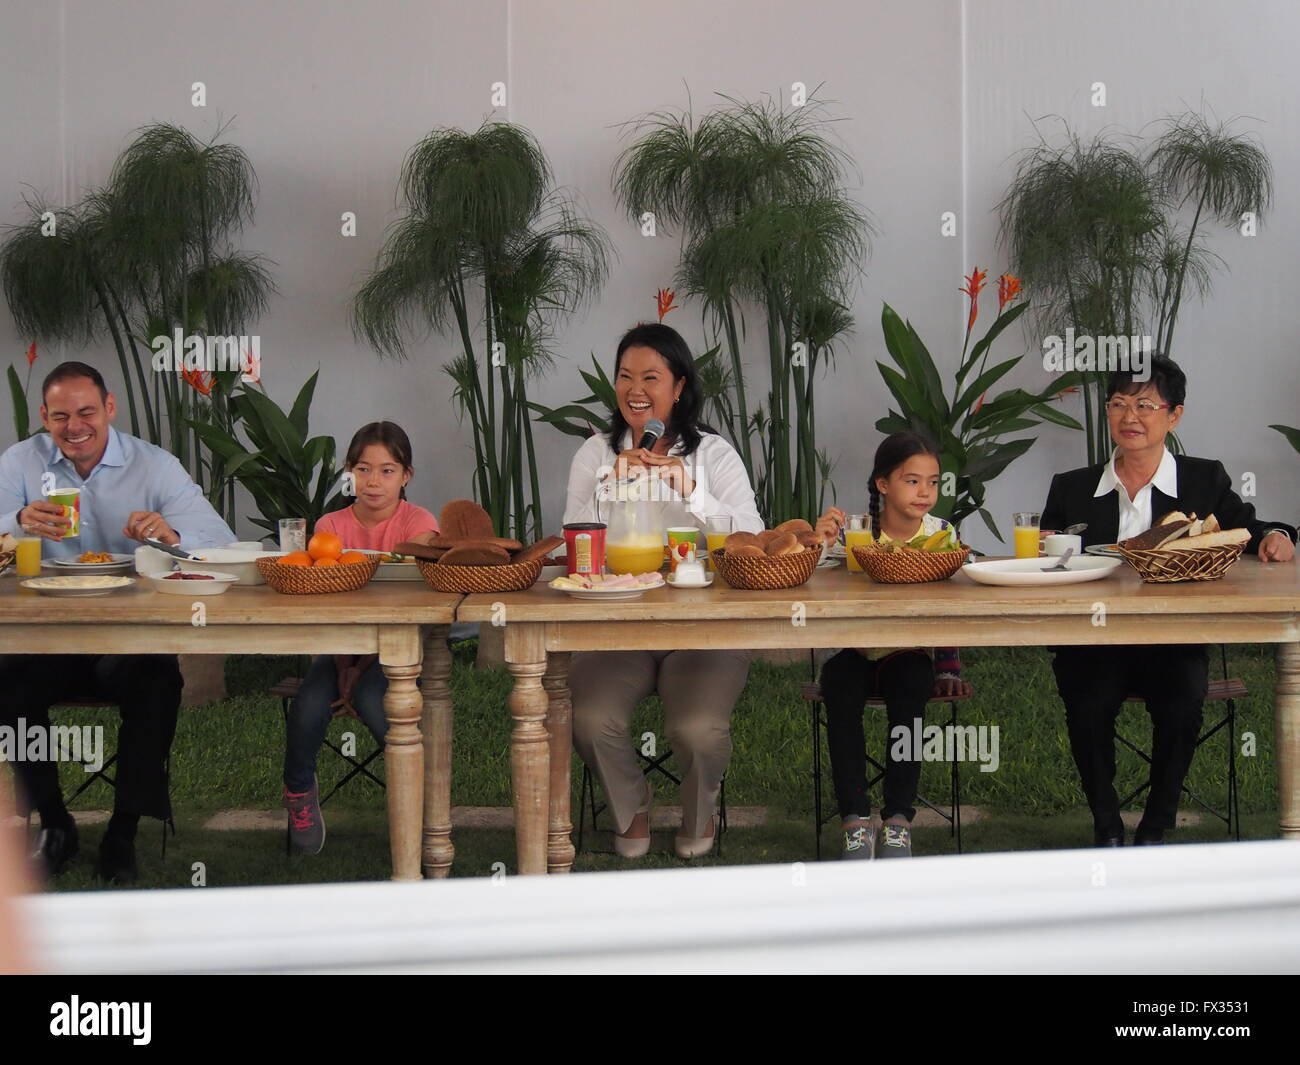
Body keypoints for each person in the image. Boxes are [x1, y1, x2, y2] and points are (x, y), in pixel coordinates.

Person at [1041, 354, 1296, 846]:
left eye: (1145, 405)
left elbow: (1250, 528)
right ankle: (1107, 826)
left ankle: (1155, 827)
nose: (1129, 417)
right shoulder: (1071, 488)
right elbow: (1049, 555)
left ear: (1174, 415)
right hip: (1093, 638)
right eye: (1118, 404)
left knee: (1182, 701)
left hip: (1173, 639)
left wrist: (1279, 536)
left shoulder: (1203, 481)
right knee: (1088, 702)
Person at [0, 361, 235, 883]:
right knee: (6, 682)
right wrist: (16, 523)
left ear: (109, 408)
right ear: (44, 416)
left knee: (157, 681)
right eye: (60, 416)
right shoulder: (20, 462)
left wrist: (170, 532)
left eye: (87, 412)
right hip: (48, 639)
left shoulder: (153, 466)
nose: (74, 426)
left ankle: (123, 830)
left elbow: (218, 538)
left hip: (125, 639)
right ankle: (55, 823)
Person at [562, 323, 763, 859]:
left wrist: (688, 488)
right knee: (589, 717)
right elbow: (575, 545)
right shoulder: (595, 454)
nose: (636, 388)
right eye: (626, 376)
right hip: (618, 625)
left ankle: (700, 813)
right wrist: (609, 486)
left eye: (651, 377)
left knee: (697, 728)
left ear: (678, 388)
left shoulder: (713, 455)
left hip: (703, 627)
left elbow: (749, 536)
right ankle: (632, 807)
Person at [281, 421, 439, 854]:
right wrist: (344, 669)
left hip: (395, 654)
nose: (374, 481)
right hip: (338, 650)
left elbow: (414, 606)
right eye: (364, 469)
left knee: (375, 700)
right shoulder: (330, 526)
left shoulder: (420, 525)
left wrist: (359, 674)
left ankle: (416, 804)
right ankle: (299, 795)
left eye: (387, 471)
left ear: (406, 476)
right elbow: (321, 601)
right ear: (350, 472)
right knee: (309, 706)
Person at [813, 432, 971, 859]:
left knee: (911, 693)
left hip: (909, 650)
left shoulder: (941, 533)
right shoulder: (856, 532)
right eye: (912, 481)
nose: (925, 493)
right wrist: (819, 542)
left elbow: (951, 603)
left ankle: (898, 819)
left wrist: (948, 669)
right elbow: (812, 583)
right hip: (853, 649)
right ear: (883, 484)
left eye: (933, 482)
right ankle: (855, 820)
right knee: (840, 692)